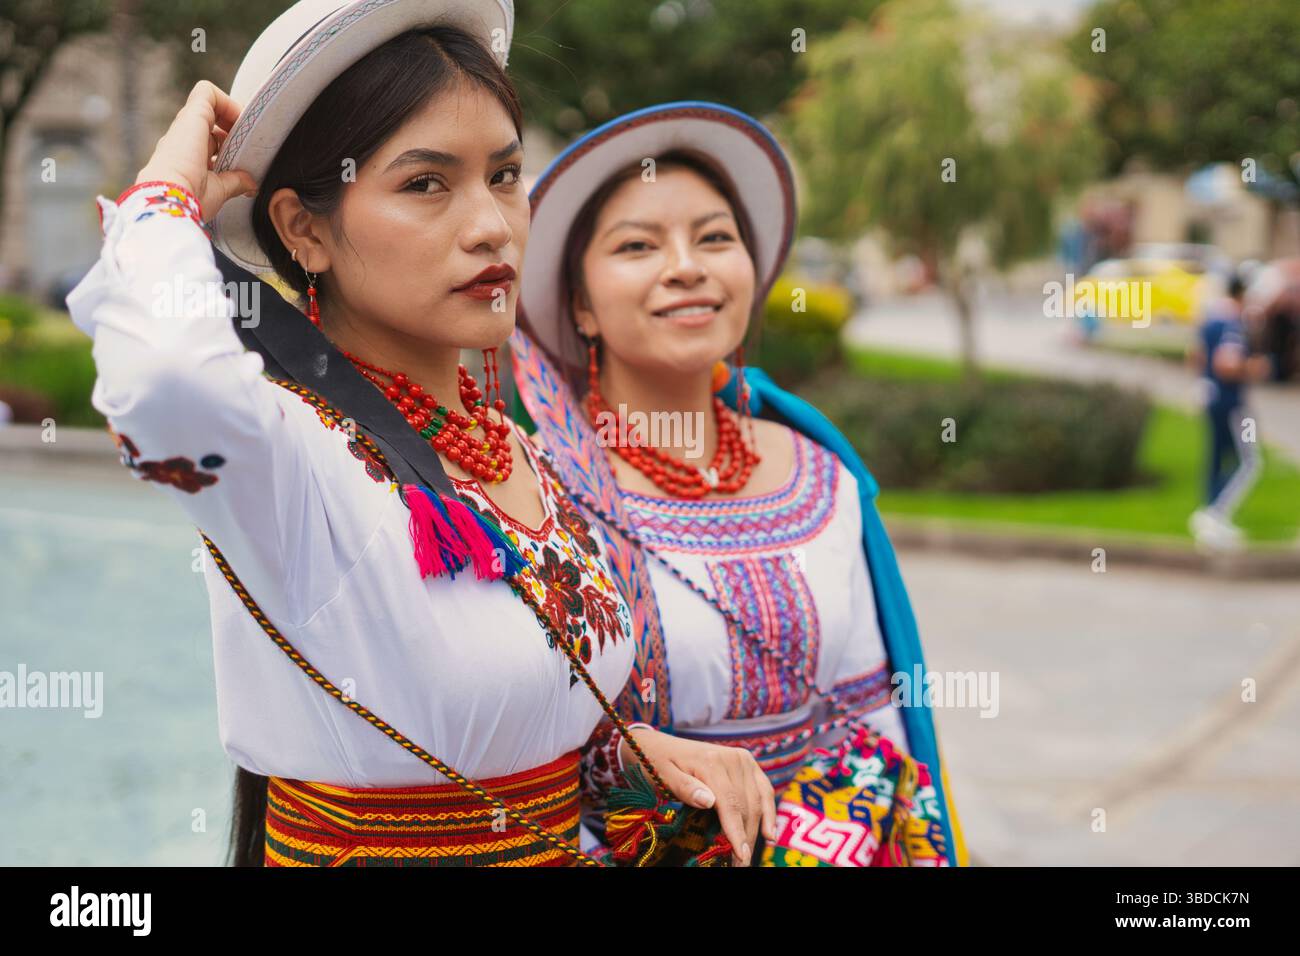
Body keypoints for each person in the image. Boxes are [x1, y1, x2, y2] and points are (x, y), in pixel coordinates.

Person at [66, 1, 769, 867]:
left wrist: (626, 762)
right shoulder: (291, 456)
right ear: (303, 229)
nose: (489, 225)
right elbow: (165, 377)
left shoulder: (515, 447)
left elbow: (500, 730)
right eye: (425, 184)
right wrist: (163, 196)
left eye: (505, 176)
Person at [511, 102, 968, 866]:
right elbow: (519, 746)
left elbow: (876, 719)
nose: (687, 265)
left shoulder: (820, 473)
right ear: (581, 305)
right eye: (637, 245)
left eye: (715, 237)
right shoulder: (534, 492)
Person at [1187, 272, 1271, 549]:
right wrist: (1255, 368)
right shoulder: (1233, 325)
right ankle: (1215, 513)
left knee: (1216, 456)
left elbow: (1196, 355)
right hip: (1233, 404)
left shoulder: (1212, 318)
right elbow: (1227, 363)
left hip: (1212, 398)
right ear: (1243, 294)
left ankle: (1211, 513)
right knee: (1250, 461)